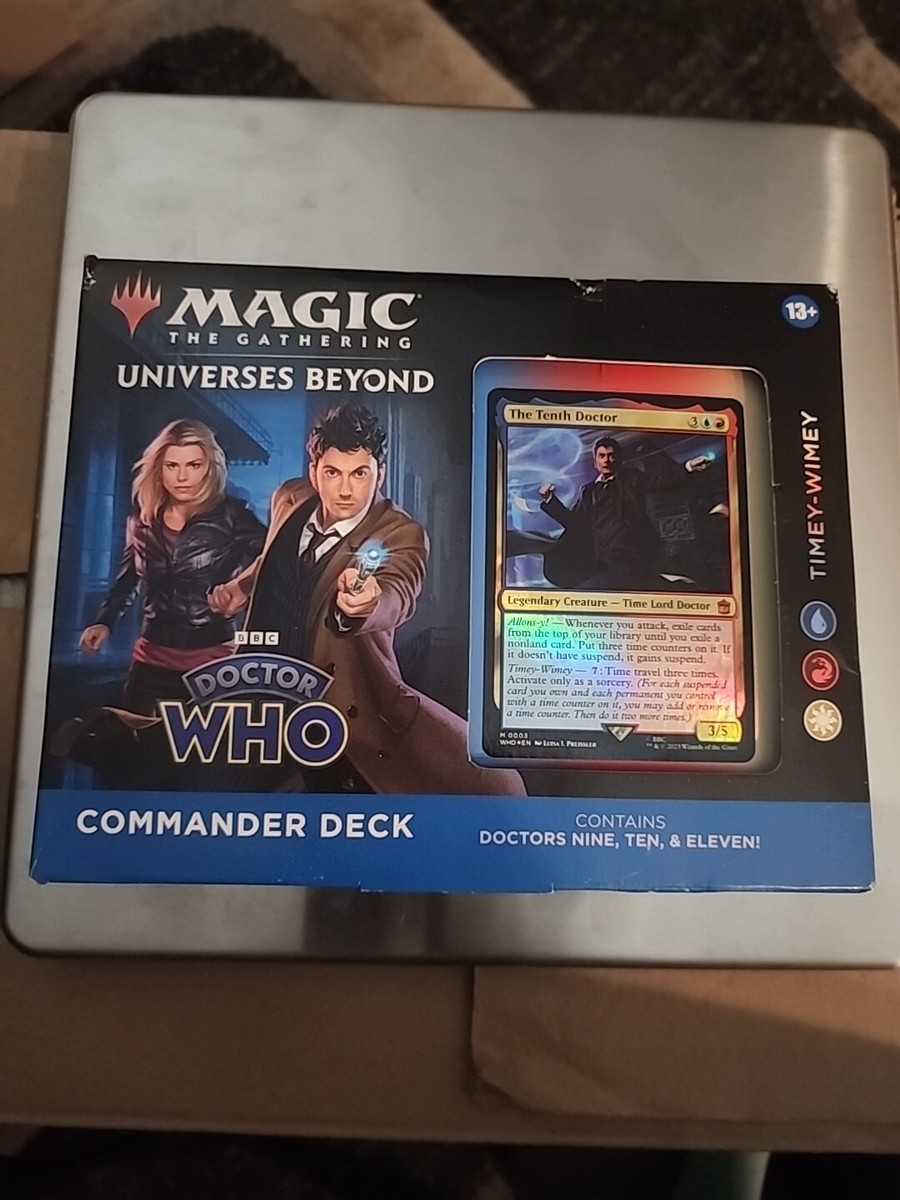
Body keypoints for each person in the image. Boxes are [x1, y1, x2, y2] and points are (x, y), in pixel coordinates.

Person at [209, 403, 524, 797]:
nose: (345, 489)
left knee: (492, 789)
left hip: (343, 714)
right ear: (314, 473)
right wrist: (239, 589)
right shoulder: (289, 499)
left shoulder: (400, 532)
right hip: (259, 702)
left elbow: (399, 589)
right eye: (333, 473)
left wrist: (367, 605)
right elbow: (270, 557)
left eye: (360, 473)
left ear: (380, 474)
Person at [79, 419, 266, 715]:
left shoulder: (233, 516)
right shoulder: (143, 521)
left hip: (213, 665)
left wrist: (242, 586)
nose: (182, 477)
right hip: (150, 663)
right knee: (138, 742)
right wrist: (104, 622)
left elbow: (274, 557)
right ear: (159, 468)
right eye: (172, 466)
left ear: (210, 467)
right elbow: (128, 580)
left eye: (193, 465)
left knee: (207, 745)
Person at [536, 436, 709, 590]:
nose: (607, 460)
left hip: (631, 560)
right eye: (602, 456)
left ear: (618, 459)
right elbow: (574, 522)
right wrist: (551, 500)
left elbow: (660, 481)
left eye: (611, 455)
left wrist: (687, 468)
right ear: (595, 462)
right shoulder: (588, 491)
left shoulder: (632, 479)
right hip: (599, 564)